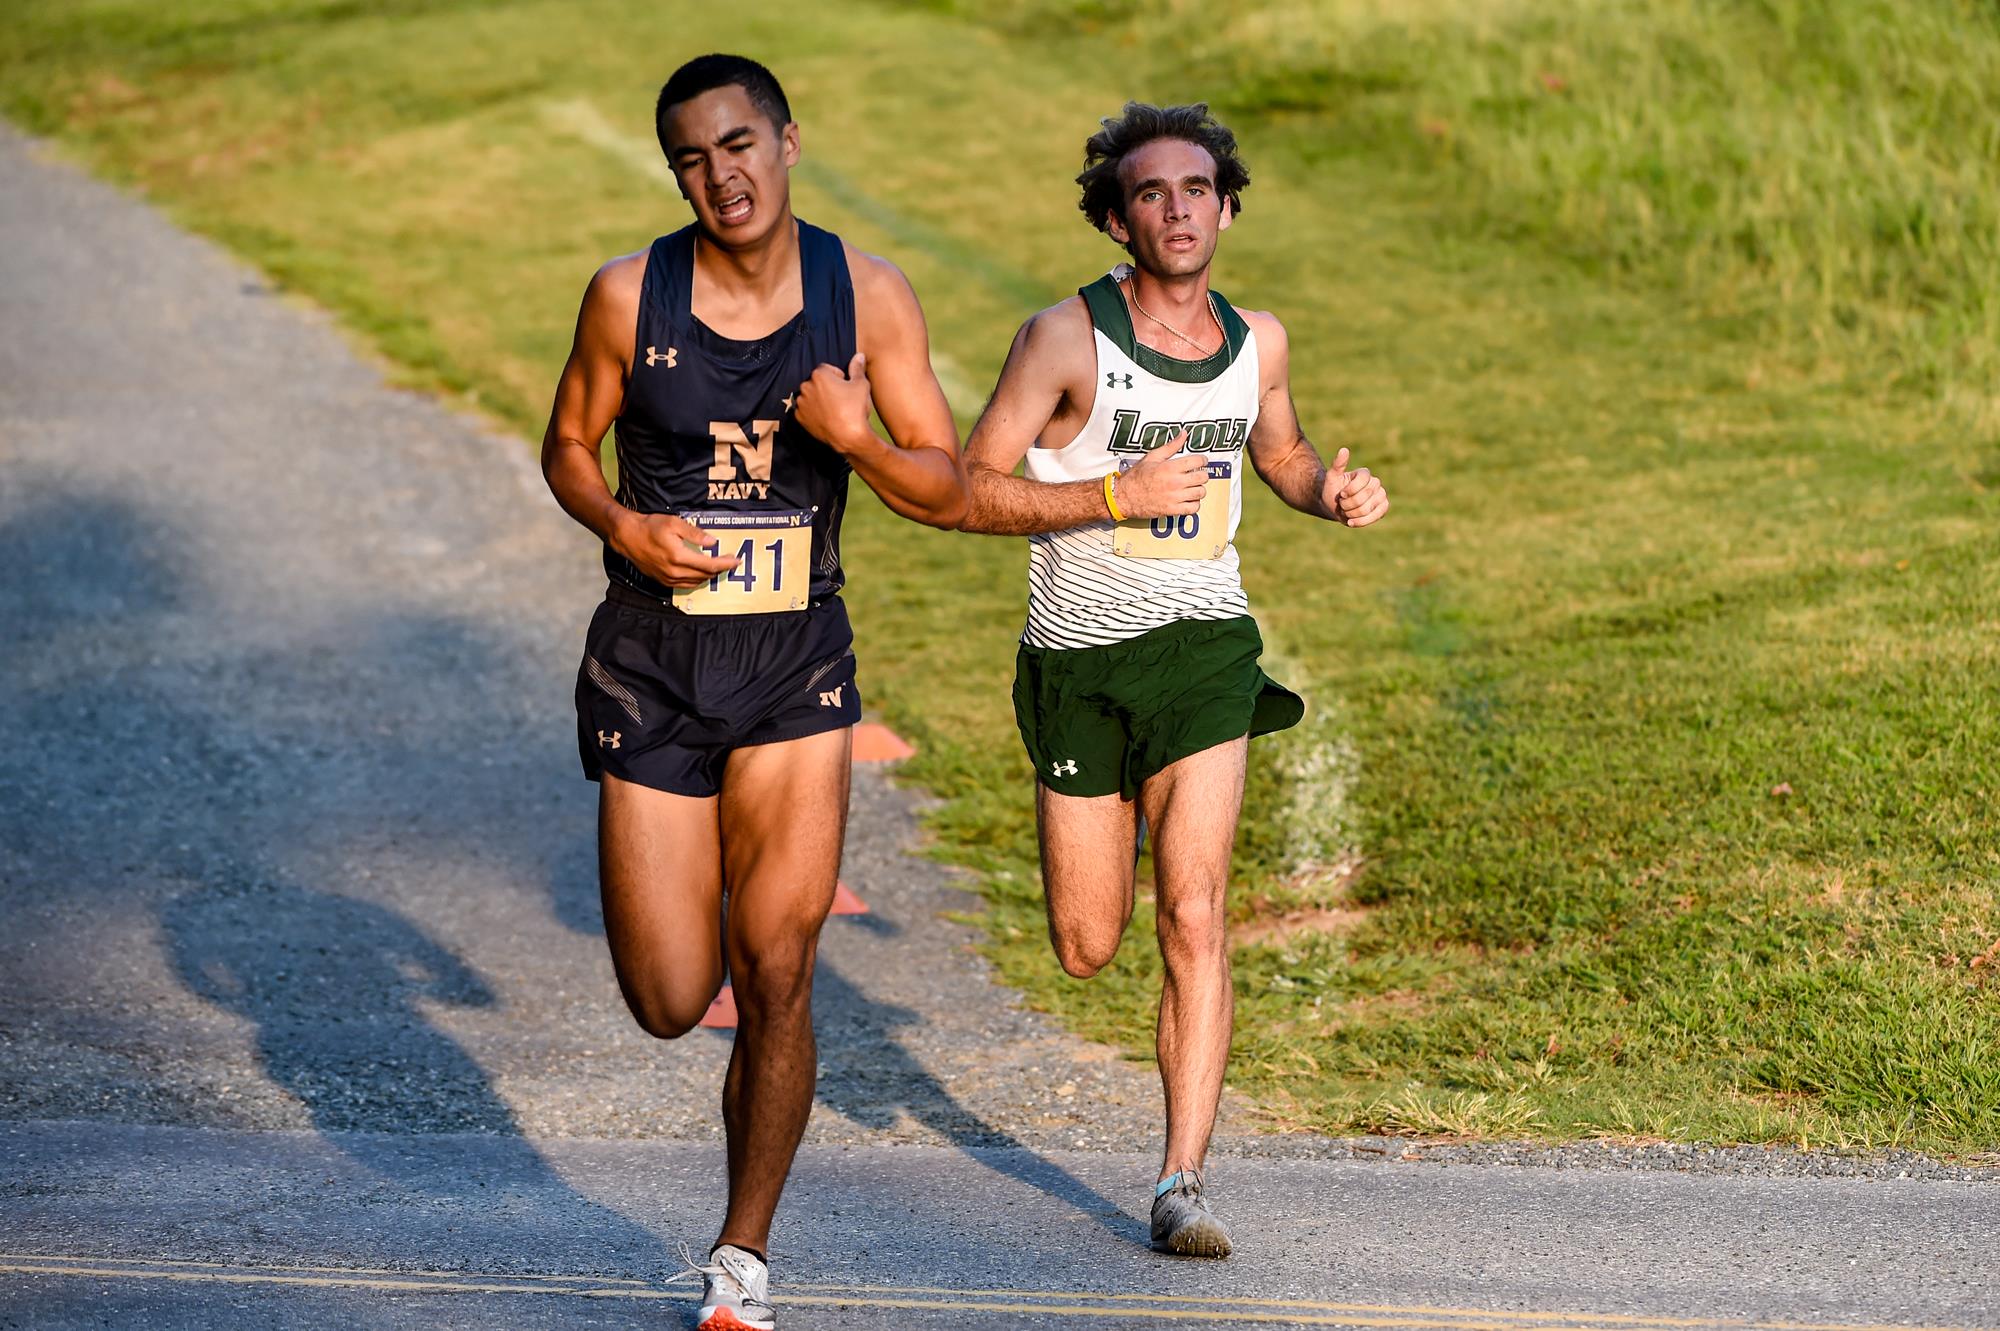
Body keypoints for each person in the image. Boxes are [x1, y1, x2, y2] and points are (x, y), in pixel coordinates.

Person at [539, 53, 965, 1329]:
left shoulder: (865, 295)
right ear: (674, 170)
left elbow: (939, 484)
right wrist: (621, 519)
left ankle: (741, 1259)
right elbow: (565, 441)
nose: (718, 175)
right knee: (673, 999)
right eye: (689, 157)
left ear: (786, 141)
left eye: (737, 145)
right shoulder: (627, 294)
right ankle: (700, 866)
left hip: (793, 666)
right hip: (653, 664)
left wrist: (854, 440)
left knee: (776, 964)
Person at [958, 101, 1389, 1258]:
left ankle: (1180, 1181)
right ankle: (1102, 813)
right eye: (1149, 193)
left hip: (1204, 647)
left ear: (1226, 206)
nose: (1177, 209)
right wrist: (1108, 495)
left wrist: (1324, 491)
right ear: (1116, 217)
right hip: (1077, 662)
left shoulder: (1259, 341)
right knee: (1087, 941)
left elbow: (1281, 448)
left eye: (1195, 189)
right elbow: (966, 486)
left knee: (1195, 910)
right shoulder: (1062, 339)